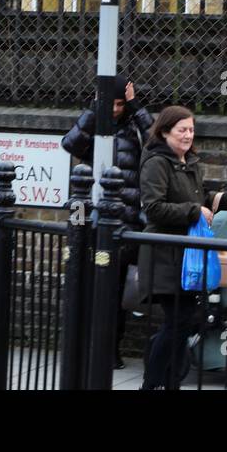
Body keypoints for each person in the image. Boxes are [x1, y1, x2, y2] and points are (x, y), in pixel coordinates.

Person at [137, 105, 227, 389]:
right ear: (165, 132)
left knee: (184, 322)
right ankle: (151, 384)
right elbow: (153, 208)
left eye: (191, 130)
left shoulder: (189, 163)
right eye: (182, 130)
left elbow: (206, 202)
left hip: (187, 258)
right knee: (179, 321)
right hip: (165, 254)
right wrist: (193, 211)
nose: (188, 135)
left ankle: (167, 383)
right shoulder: (156, 162)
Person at [61, 73, 153, 368]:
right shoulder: (95, 127)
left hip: (125, 222)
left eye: (118, 104)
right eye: (109, 104)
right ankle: (84, 347)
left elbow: (157, 143)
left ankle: (110, 349)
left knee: (116, 293)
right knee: (88, 287)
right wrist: (94, 109)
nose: (115, 110)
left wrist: (135, 106)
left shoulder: (133, 128)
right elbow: (71, 144)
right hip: (92, 220)